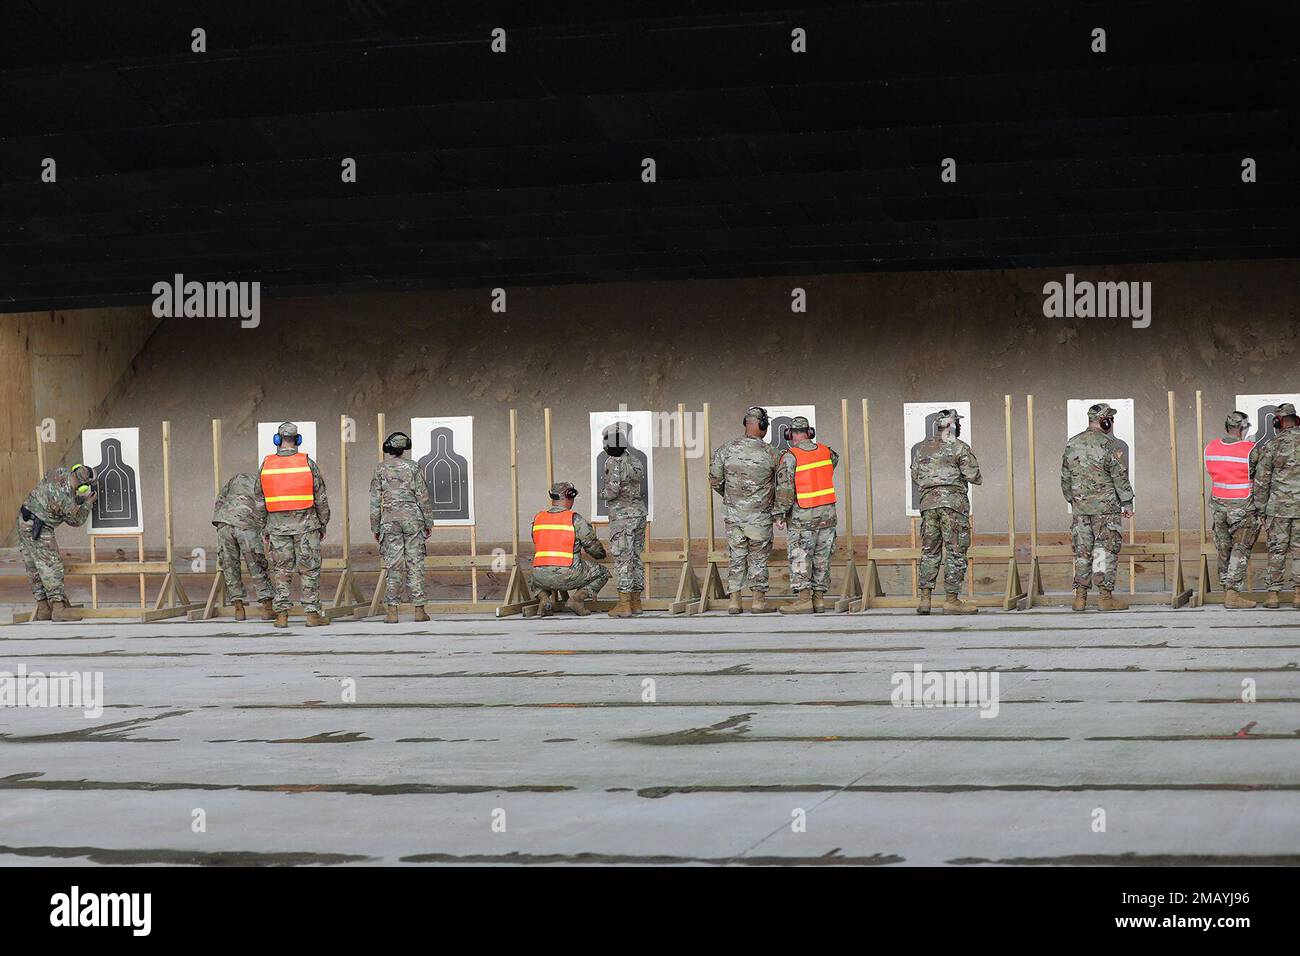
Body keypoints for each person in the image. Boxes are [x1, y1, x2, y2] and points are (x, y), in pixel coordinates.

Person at [254, 422, 331, 627]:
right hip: (306, 527)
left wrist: (264, 528)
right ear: (297, 440)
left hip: (277, 528)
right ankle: (312, 615)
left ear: (277, 440)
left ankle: (281, 616)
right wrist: (323, 523)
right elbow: (321, 498)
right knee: (309, 570)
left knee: (281, 571)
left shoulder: (267, 465)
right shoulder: (307, 463)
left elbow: (259, 501)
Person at [1061, 402, 1134, 611]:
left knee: (1082, 552)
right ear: (1104, 420)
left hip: (1080, 509)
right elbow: (1119, 476)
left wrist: (1074, 500)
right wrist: (1127, 502)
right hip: (1106, 510)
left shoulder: (1072, 443)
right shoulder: (1108, 444)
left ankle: (1080, 598)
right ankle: (1104, 597)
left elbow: (1065, 477)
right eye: (1110, 418)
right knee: (1104, 551)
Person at [709, 405, 782, 614]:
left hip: (733, 515)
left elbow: (715, 479)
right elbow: (782, 482)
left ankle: (734, 602)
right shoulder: (771, 452)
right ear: (763, 425)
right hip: (760, 516)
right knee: (758, 557)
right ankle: (758, 601)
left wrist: (732, 497)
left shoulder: (726, 449)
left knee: (737, 556)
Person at [910, 409, 982, 615]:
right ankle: (951, 600)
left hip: (928, 505)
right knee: (955, 551)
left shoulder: (922, 449)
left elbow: (915, 474)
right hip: (953, 505)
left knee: (929, 552)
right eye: (957, 423)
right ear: (951, 426)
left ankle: (925, 600)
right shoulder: (959, 447)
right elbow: (974, 475)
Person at [773, 416, 838, 614]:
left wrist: (780, 513)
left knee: (801, 556)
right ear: (810, 433)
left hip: (803, 517)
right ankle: (819, 600)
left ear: (790, 434)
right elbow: (834, 461)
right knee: (822, 558)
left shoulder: (791, 456)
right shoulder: (827, 451)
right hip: (827, 515)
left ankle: (803, 600)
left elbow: (785, 489)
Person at [16, 463, 96, 621]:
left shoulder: (59, 472)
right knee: (51, 565)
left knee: (34, 566)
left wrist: (78, 499)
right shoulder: (65, 500)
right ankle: (58, 609)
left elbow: (62, 493)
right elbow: (76, 520)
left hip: (24, 519)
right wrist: (88, 503)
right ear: (83, 486)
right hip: (39, 527)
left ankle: (43, 608)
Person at [370, 431, 434, 623]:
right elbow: (423, 496)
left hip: (390, 520)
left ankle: (392, 612)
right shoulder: (414, 467)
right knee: (415, 563)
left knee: (393, 565)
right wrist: (428, 522)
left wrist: (375, 527)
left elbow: (374, 501)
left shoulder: (380, 469)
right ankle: (419, 610)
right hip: (413, 519)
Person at [1204, 411, 1261, 608]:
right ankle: (1233, 594)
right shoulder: (1250, 449)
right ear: (1243, 429)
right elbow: (1260, 477)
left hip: (1219, 507)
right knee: (1240, 549)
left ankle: (1225, 588)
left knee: (1223, 548)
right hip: (1243, 508)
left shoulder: (1211, 447)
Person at [529, 481, 609, 616]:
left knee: (534, 577)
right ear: (569, 496)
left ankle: (544, 599)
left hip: (541, 575)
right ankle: (576, 599)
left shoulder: (538, 518)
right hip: (568, 574)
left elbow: (537, 540)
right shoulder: (574, 519)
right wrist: (601, 555)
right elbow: (593, 547)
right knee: (603, 573)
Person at [1251, 402, 1300, 610]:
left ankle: (1273, 596)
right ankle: (1298, 595)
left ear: (1277, 421)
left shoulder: (1272, 446)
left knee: (1276, 550)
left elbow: (1261, 480)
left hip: (1277, 510)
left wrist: (1260, 509)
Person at [212, 472, 273, 621]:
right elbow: (265, 508)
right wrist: (264, 528)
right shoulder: (265, 482)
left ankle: (238, 608)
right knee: (256, 564)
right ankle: (267, 608)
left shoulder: (236, 477)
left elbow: (220, 500)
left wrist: (220, 521)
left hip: (224, 522)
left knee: (229, 565)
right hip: (246, 523)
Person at [601, 423, 647, 618]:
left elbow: (612, 491)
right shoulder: (635, 461)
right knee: (636, 558)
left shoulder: (613, 462)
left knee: (623, 559)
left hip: (622, 517)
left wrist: (600, 493)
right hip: (638, 515)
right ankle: (636, 603)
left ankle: (624, 605)